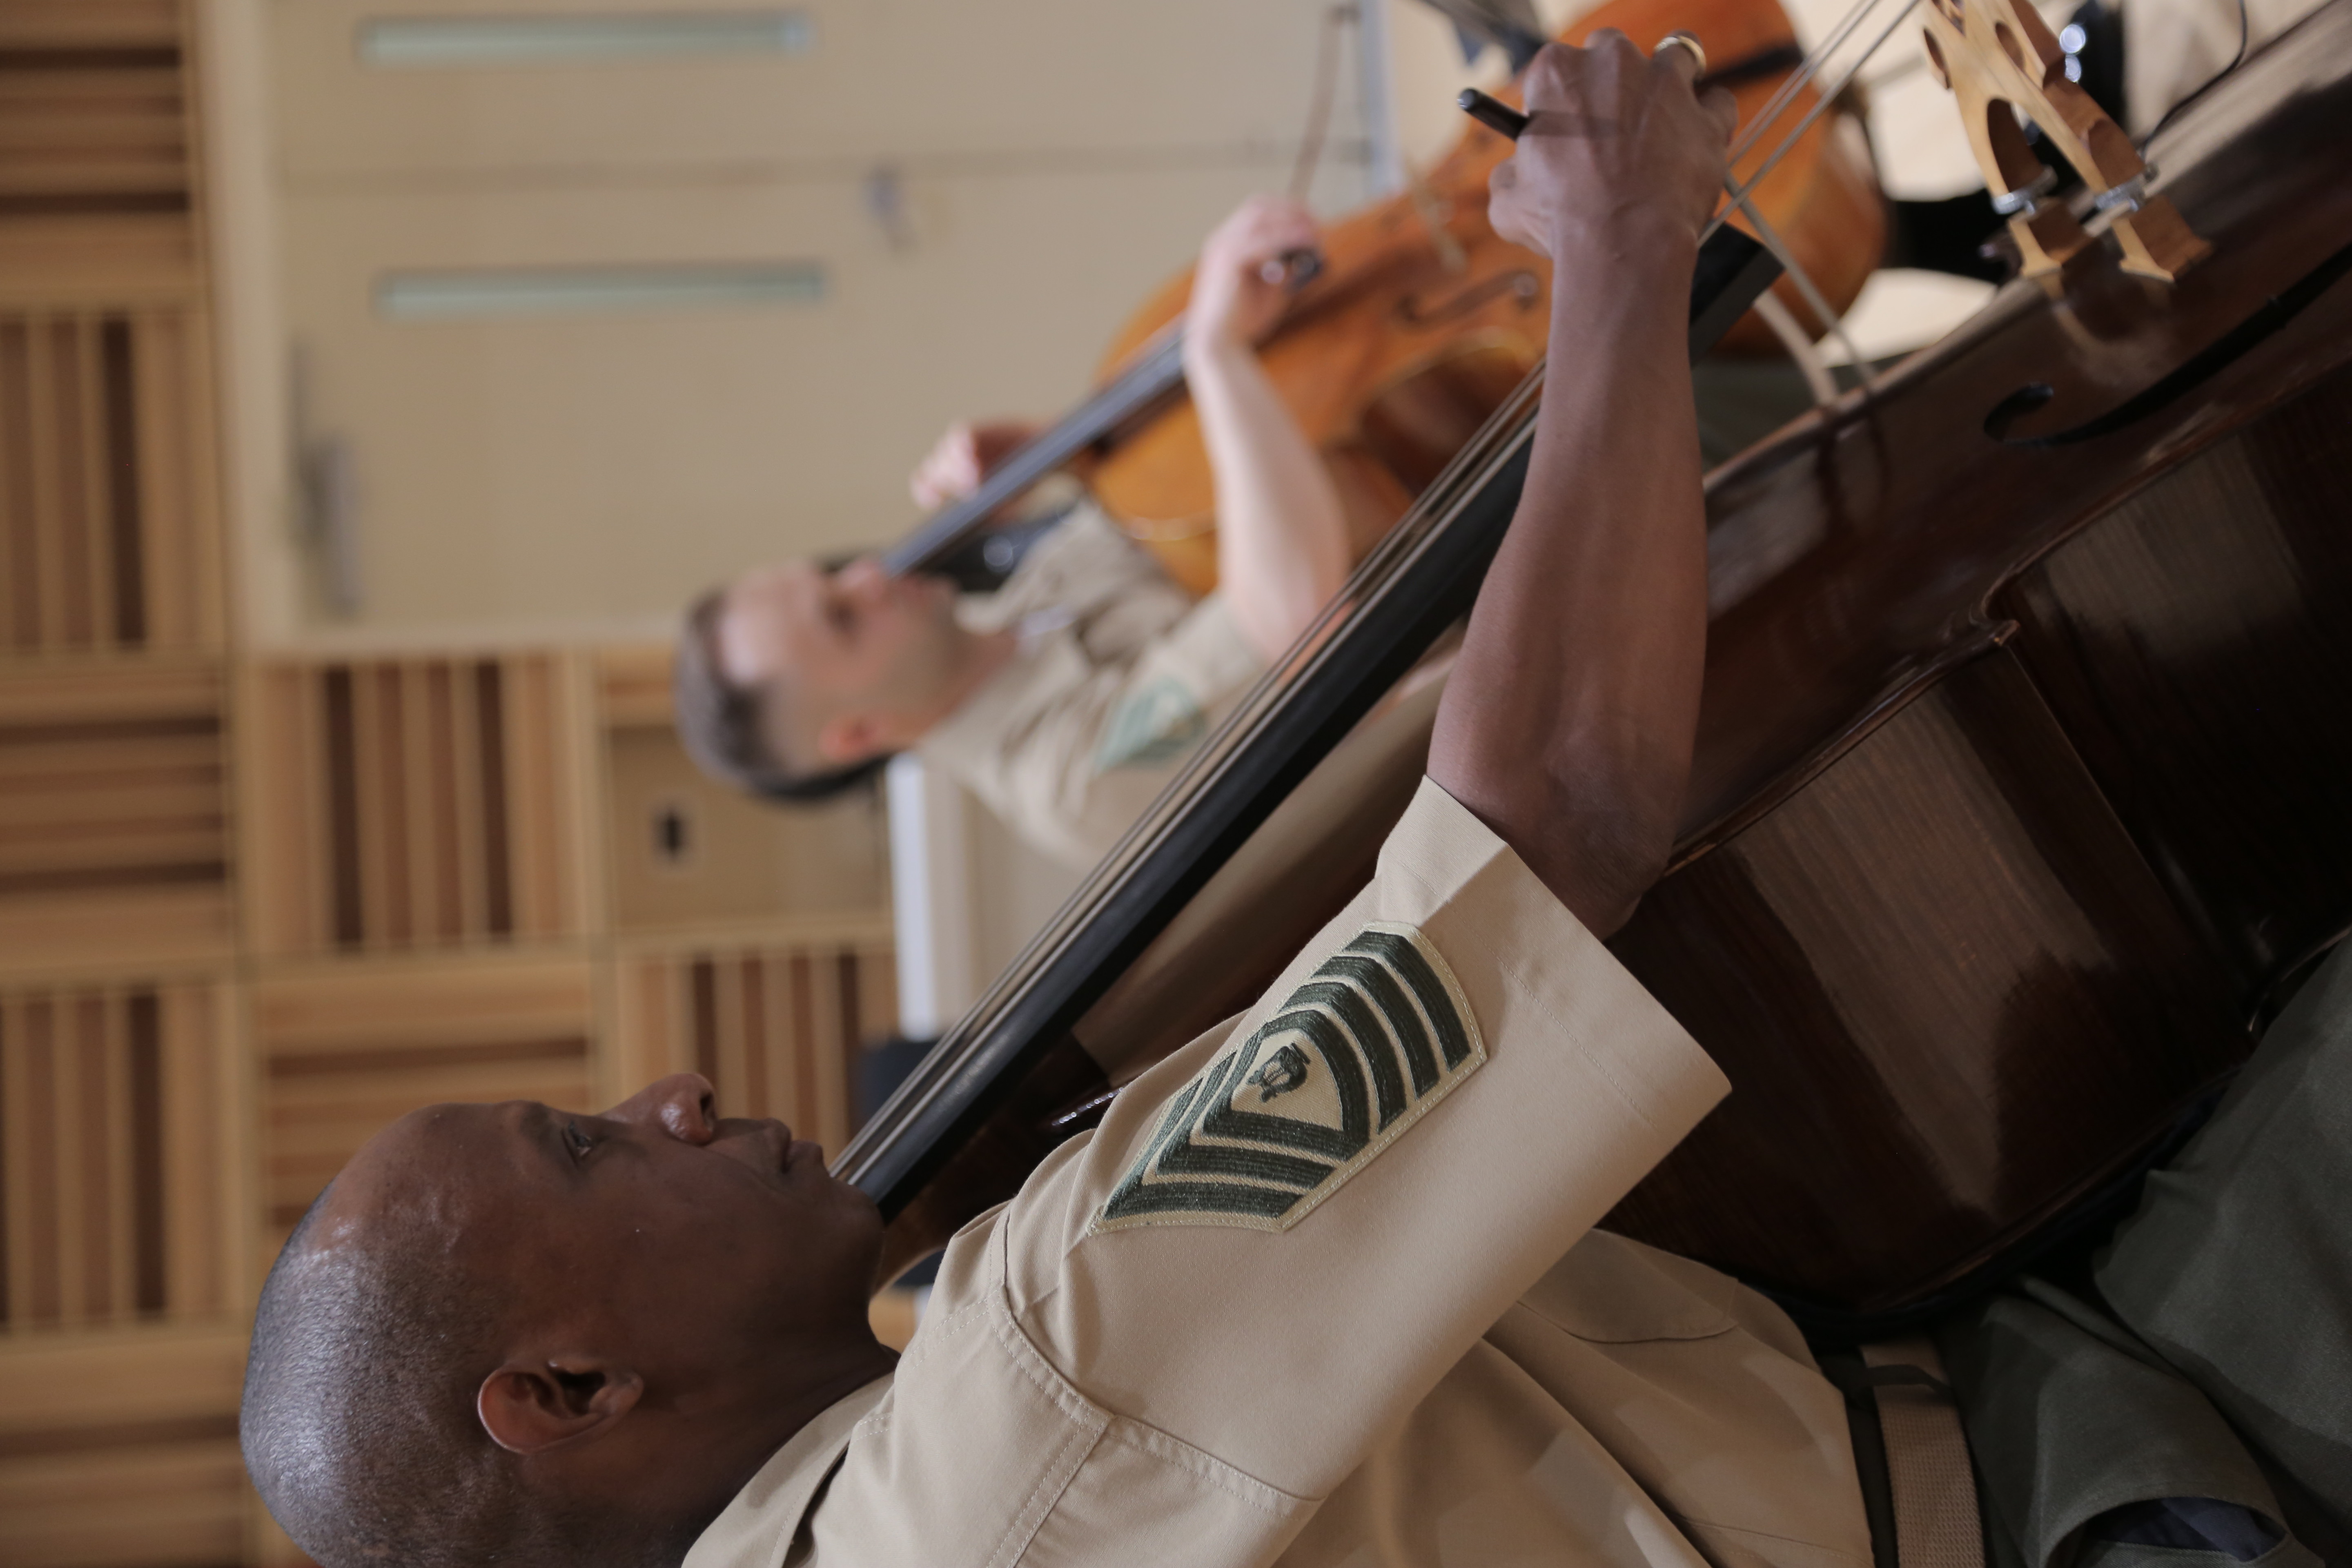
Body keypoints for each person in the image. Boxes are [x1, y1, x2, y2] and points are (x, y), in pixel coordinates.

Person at [238, 36, 2346, 1568]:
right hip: (2072, 1489)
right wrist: (1614, 256)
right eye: (593, 1153)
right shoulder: (1020, 1411)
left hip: (1973, 1386)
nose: (674, 1092)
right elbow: (1557, 821)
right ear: (570, 1396)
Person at [673, 194, 1356, 871]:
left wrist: (1080, 449)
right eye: (844, 618)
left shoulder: (1026, 592)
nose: (869, 575)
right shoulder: (1069, 784)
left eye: (832, 576)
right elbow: (1293, 621)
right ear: (858, 733)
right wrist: (1212, 354)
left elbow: (1201, 486)